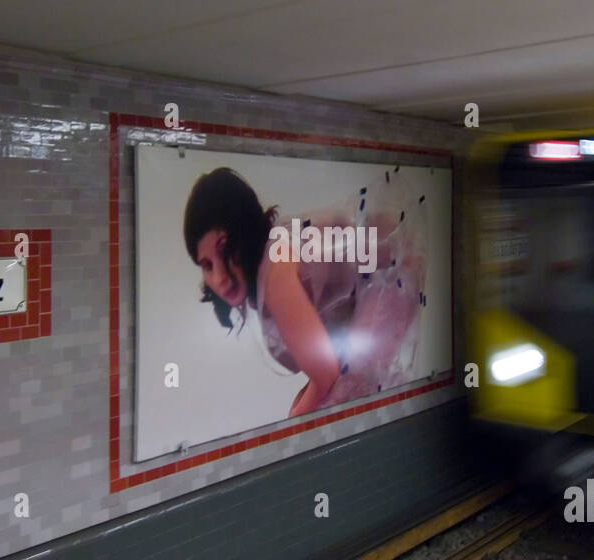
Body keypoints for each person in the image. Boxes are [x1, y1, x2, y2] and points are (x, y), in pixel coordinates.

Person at [183, 165, 428, 418]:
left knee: (335, 403)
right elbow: (324, 361)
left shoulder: (274, 271)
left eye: (226, 250)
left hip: (391, 268)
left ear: (243, 233)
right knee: (325, 402)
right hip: (384, 264)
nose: (220, 278)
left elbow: (326, 373)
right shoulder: (272, 255)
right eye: (207, 265)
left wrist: (292, 424)